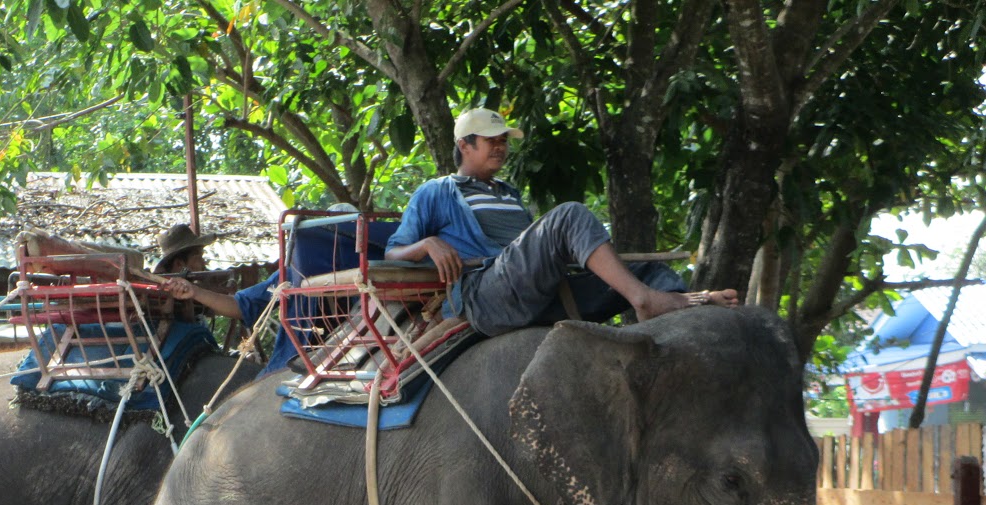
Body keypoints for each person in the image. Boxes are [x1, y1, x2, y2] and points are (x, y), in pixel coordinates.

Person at [383, 108, 737, 335]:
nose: (501, 147)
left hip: (539, 290)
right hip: (486, 295)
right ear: (464, 145)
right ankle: (645, 300)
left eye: (504, 141)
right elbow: (392, 254)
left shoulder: (509, 193)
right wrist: (427, 243)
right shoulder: (437, 191)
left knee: (643, 266)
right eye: (491, 140)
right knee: (569, 214)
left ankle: (683, 302)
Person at [155, 222, 305, 378]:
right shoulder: (164, 302)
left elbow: (241, 305)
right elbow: (242, 305)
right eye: (199, 258)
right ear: (180, 265)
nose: (204, 264)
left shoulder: (198, 295)